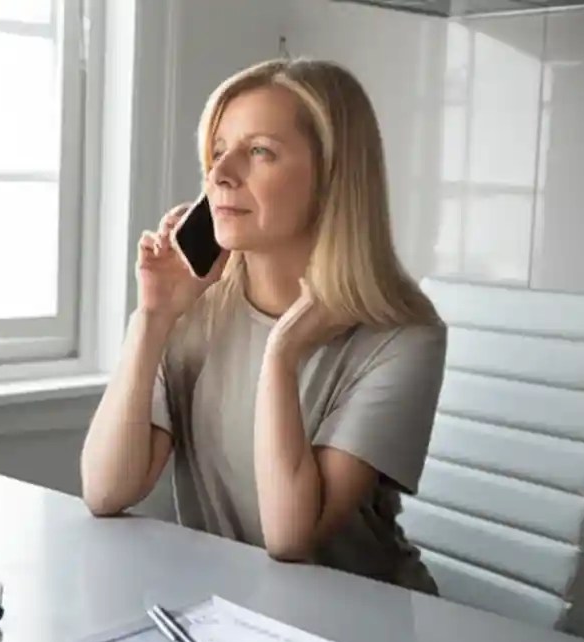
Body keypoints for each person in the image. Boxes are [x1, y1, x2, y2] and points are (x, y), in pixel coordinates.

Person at [79, 58, 447, 593]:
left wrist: (282, 353)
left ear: (332, 179)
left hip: (367, 627)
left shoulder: (403, 338)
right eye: (218, 150)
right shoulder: (195, 309)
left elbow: (291, 539)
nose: (220, 174)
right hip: (238, 611)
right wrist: (153, 317)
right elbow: (106, 490)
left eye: (259, 152)